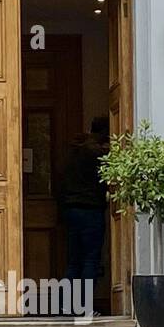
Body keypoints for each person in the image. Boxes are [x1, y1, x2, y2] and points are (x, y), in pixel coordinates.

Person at [59, 116, 110, 315]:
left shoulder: (73, 150)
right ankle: (84, 307)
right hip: (91, 210)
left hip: (71, 209)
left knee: (73, 260)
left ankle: (64, 305)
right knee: (90, 260)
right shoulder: (100, 153)